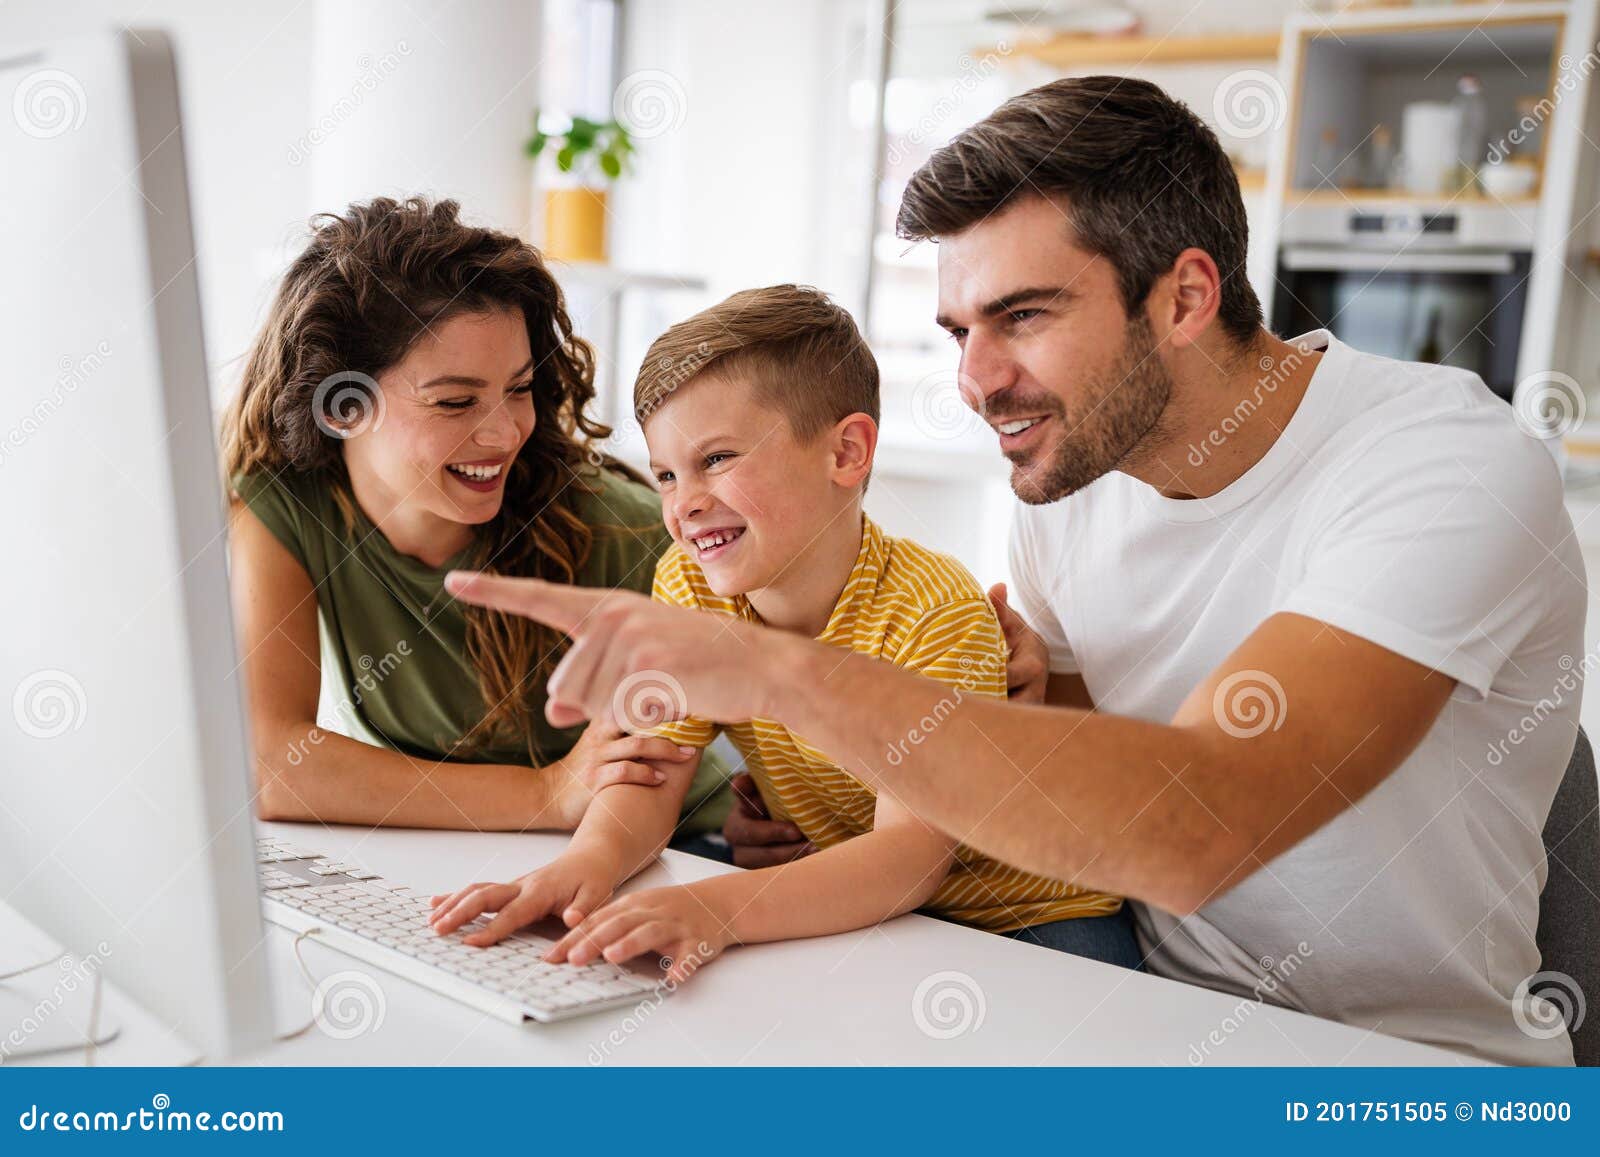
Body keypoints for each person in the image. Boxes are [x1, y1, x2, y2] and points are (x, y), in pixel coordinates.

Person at [442, 79, 1585, 1065]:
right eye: (954, 332)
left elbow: (1196, 824)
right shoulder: (1068, 485)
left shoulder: (1441, 465)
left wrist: (775, 673)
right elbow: (1072, 778)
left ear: (1183, 296)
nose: (978, 380)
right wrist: (862, 801)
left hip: (1397, 1070)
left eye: (1023, 317)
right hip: (1132, 1008)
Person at [429, 285, 1140, 975]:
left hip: (1034, 924)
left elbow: (909, 858)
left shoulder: (935, 613)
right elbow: (651, 771)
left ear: (846, 452)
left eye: (717, 459)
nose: (686, 505)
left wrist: (717, 909)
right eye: (667, 474)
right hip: (871, 913)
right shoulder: (688, 583)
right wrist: (585, 866)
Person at [222, 196, 728, 840]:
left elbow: (790, 686)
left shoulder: (621, 531)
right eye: (456, 402)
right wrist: (546, 794)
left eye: (519, 389)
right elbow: (270, 766)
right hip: (478, 854)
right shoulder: (285, 505)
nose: (506, 432)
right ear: (343, 405)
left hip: (690, 848)